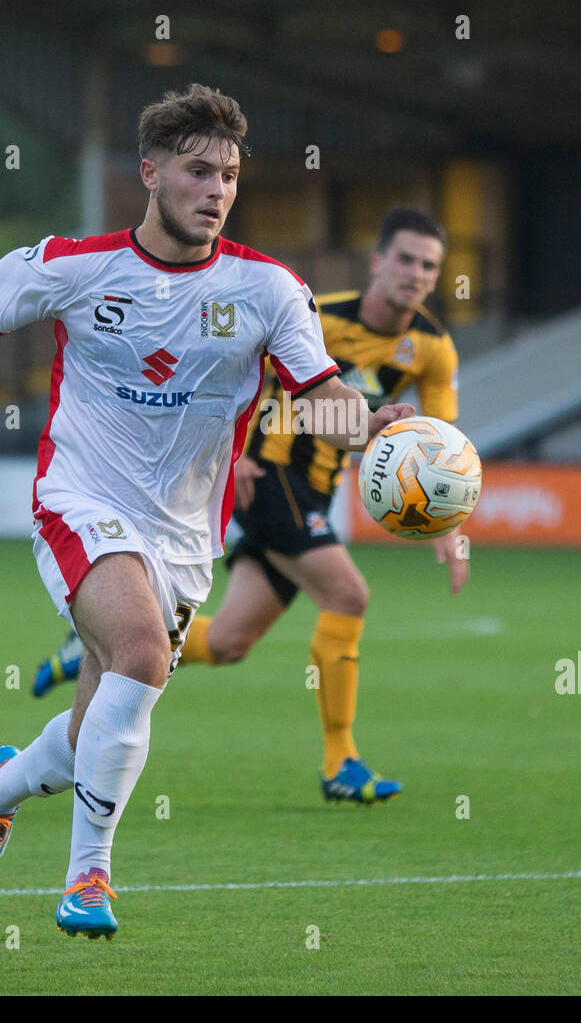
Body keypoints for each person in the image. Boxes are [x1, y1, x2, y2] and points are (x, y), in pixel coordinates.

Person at [0, 84, 412, 941]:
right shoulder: (74, 265)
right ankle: (88, 878)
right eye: (198, 170)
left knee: (100, 722)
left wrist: (367, 426)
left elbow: (317, 394)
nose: (216, 189)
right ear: (149, 173)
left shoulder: (269, 290)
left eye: (230, 176)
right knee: (139, 651)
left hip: (184, 541)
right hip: (79, 499)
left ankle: (1, 789)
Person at [32, 207, 467, 805]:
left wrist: (448, 520)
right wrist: (231, 459)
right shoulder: (316, 311)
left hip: (317, 491)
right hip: (267, 479)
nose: (416, 274)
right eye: (406, 259)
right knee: (348, 595)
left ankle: (96, 648)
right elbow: (237, 369)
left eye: (430, 266)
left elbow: (439, 439)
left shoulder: (434, 348)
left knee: (232, 641)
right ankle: (341, 762)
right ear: (378, 262)